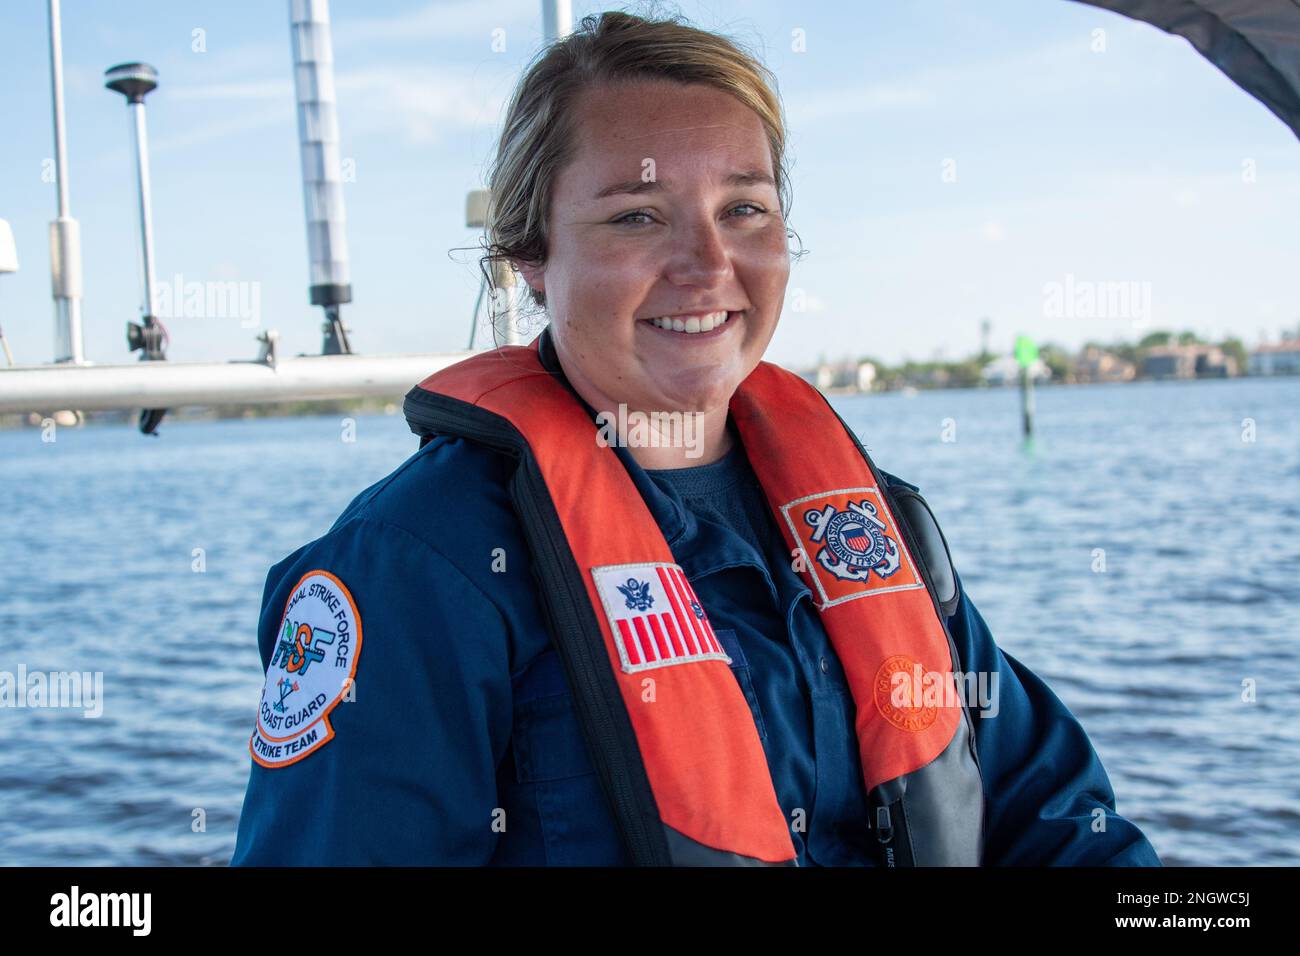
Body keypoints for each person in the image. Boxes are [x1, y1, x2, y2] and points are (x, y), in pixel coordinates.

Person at [230, 10, 1161, 867]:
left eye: (743, 209)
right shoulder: (415, 571)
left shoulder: (877, 527)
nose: (709, 265)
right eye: (637, 216)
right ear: (532, 259)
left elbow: (1057, 820)